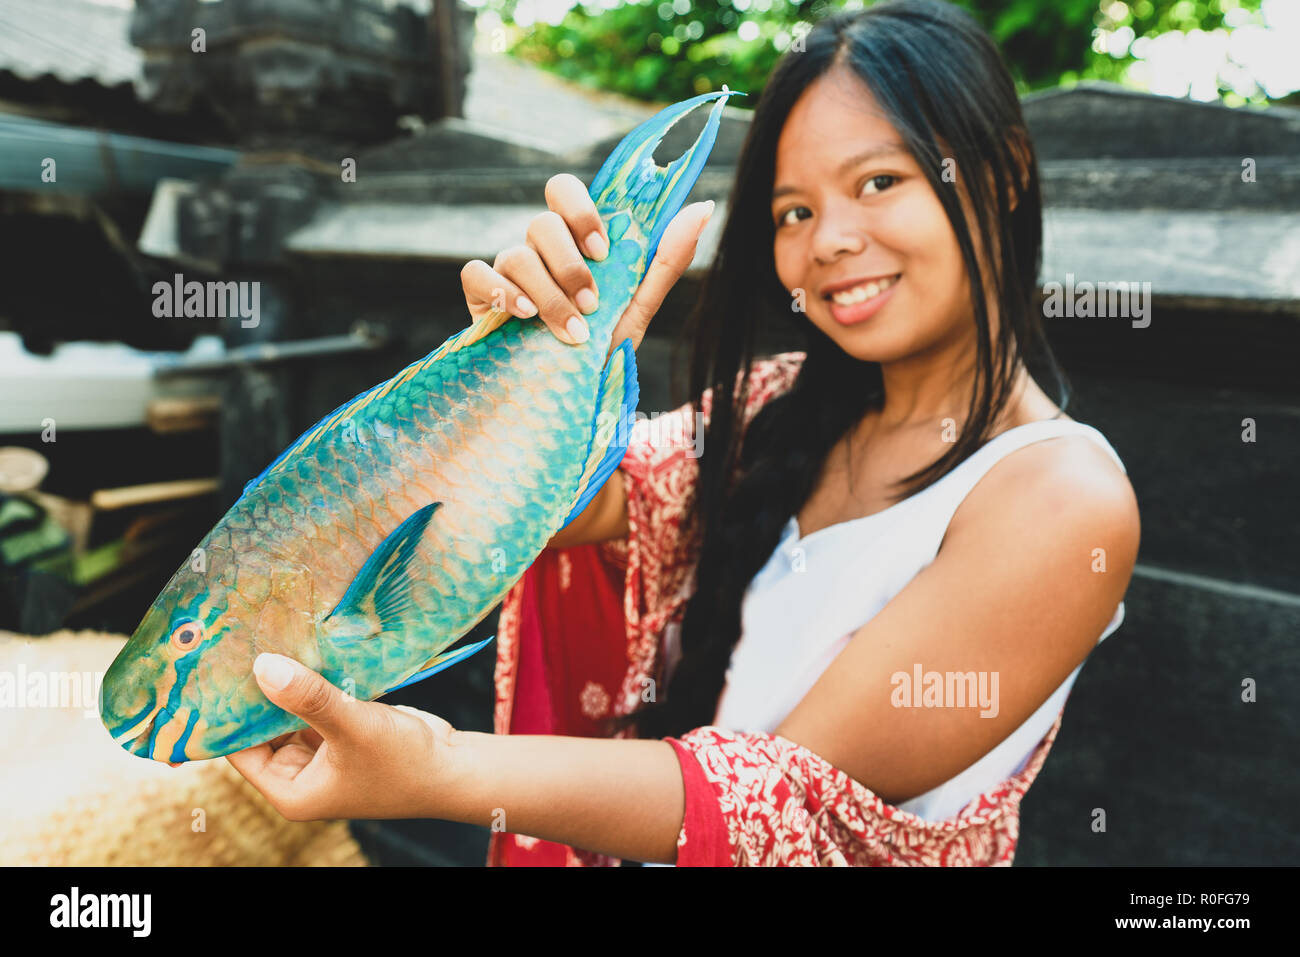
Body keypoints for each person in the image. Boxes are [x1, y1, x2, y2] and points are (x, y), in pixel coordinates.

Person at [227, 0, 1140, 866]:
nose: (828, 241)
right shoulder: (776, 402)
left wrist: (433, 768)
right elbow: (556, 510)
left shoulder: (1062, 499)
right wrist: (524, 365)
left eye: (880, 182)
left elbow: (767, 802)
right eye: (795, 211)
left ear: (1006, 173)